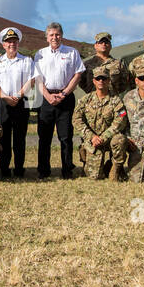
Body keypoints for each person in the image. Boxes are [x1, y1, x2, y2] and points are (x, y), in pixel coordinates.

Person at [33, 22, 85, 179]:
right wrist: (48, 95)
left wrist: (64, 93)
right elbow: (37, 77)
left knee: (66, 137)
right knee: (44, 137)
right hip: (45, 98)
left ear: (62, 35)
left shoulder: (72, 52)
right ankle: (43, 171)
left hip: (66, 98)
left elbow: (78, 74)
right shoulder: (40, 54)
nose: (54, 37)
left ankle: (67, 170)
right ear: (46, 37)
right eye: (51, 35)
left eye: (57, 34)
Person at [0, 28, 35, 179]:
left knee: (20, 139)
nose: (11, 44)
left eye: (14, 41)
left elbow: (32, 80)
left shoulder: (27, 61)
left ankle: (19, 170)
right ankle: (4, 170)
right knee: (4, 138)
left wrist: (19, 95)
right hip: (3, 103)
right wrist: (5, 96)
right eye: (8, 42)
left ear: (18, 43)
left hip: (21, 102)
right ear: (3, 45)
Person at [77, 72, 128, 181]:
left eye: (104, 79)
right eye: (98, 78)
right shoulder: (85, 100)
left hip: (110, 139)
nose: (101, 81)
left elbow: (121, 121)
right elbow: (76, 119)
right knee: (95, 177)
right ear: (94, 81)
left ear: (108, 81)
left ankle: (116, 168)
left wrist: (104, 137)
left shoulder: (116, 101)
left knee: (120, 140)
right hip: (93, 140)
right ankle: (90, 165)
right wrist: (91, 137)